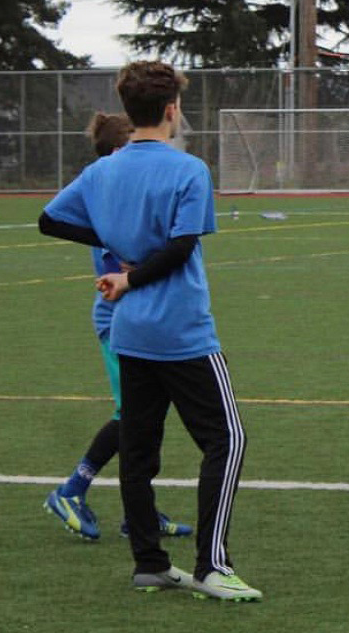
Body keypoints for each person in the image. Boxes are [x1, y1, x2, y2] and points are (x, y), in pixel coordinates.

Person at [39, 61, 260, 600]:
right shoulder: (188, 170)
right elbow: (182, 246)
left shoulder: (103, 170)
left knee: (138, 451)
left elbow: (48, 219)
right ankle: (211, 565)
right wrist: (134, 271)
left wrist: (116, 247)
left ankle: (150, 564)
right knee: (227, 440)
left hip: (130, 331)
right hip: (182, 330)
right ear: (171, 110)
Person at [43, 112, 193, 543]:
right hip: (119, 321)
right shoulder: (106, 190)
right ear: (116, 152)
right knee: (131, 414)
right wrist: (104, 241)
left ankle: (138, 513)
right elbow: (52, 221)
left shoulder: (119, 196)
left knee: (148, 415)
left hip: (146, 319)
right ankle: (72, 490)